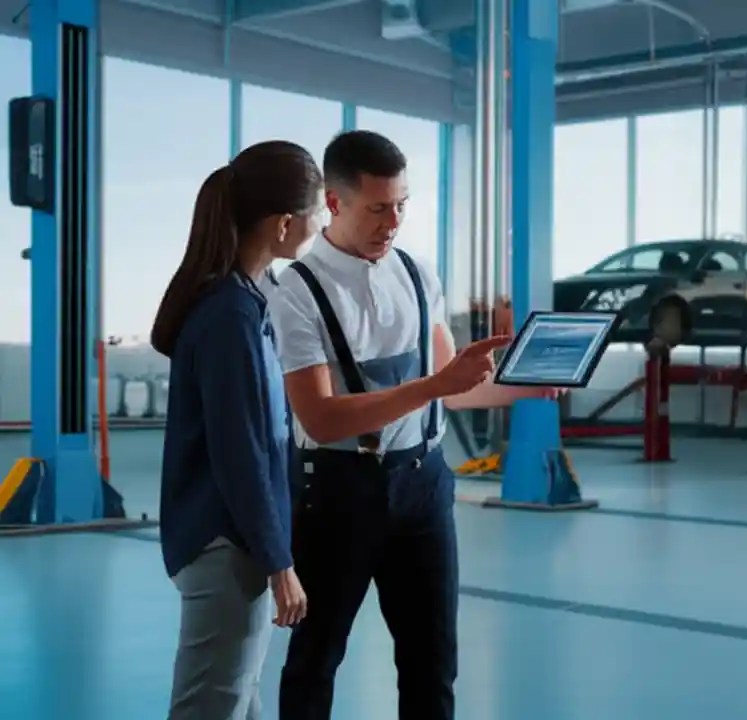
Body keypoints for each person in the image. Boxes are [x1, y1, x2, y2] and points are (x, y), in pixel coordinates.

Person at [269, 129, 551, 720]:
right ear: (336, 202)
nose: (393, 222)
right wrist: (435, 386)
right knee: (316, 660)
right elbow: (319, 417)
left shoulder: (418, 273)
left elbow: (453, 387)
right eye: (378, 208)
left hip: (424, 485)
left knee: (432, 662)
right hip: (338, 491)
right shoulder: (297, 290)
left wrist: (531, 387)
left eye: (401, 204)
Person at [152, 140, 324, 719]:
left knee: (237, 701)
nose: (321, 224)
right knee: (210, 707)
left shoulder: (246, 302)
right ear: (283, 225)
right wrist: (280, 563)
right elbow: (241, 454)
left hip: (235, 543)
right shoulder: (231, 318)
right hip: (226, 546)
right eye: (315, 211)